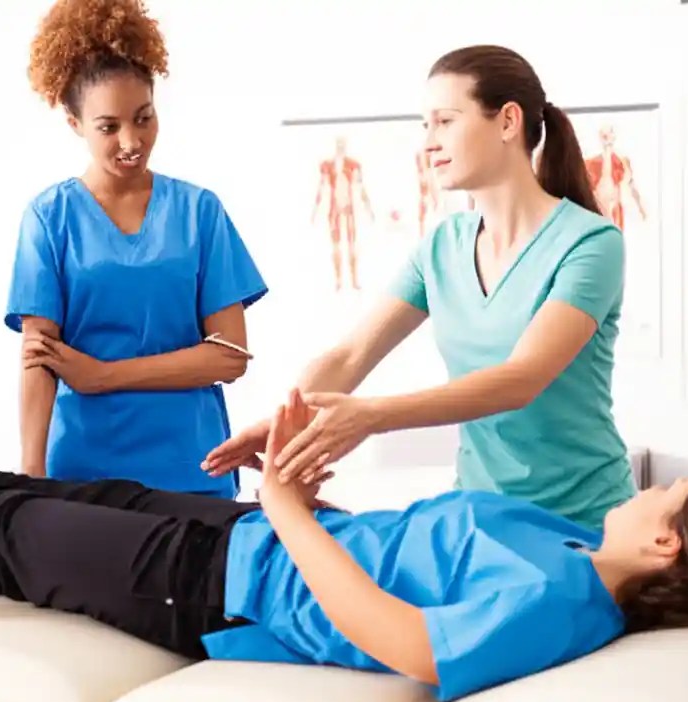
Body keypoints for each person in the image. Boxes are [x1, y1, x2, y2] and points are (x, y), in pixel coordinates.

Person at [0, 363, 688, 702]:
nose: (659, 494)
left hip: (221, 591)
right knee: (91, 489)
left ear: (667, 546)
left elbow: (404, 643)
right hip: (258, 539)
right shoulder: (567, 548)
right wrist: (304, 495)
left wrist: (293, 516)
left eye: (676, 498)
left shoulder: (566, 605)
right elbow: (412, 553)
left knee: (15, 534)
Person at [205, 44, 636, 531]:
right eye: (425, 126)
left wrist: (371, 416)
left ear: (508, 122)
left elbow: (523, 379)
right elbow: (351, 356)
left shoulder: (591, 243)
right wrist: (287, 421)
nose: (429, 142)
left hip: (588, 522)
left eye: (445, 121)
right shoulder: (443, 247)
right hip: (481, 517)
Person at [7, 0, 267, 498]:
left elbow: (229, 356)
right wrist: (29, 480)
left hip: (193, 467)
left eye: (144, 118)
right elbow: (38, 358)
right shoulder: (49, 217)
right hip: (84, 474)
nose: (131, 140)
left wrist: (103, 375)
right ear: (73, 121)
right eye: (108, 127)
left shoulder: (199, 211)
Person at [311, 135, 375, 291]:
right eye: (338, 144)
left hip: (349, 208)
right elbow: (322, 187)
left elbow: (360, 187)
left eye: (342, 144)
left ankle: (354, 280)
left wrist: (368, 207)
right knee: (336, 246)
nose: (340, 147)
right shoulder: (327, 165)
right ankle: (339, 281)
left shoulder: (353, 165)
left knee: (352, 245)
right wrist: (315, 210)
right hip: (334, 209)